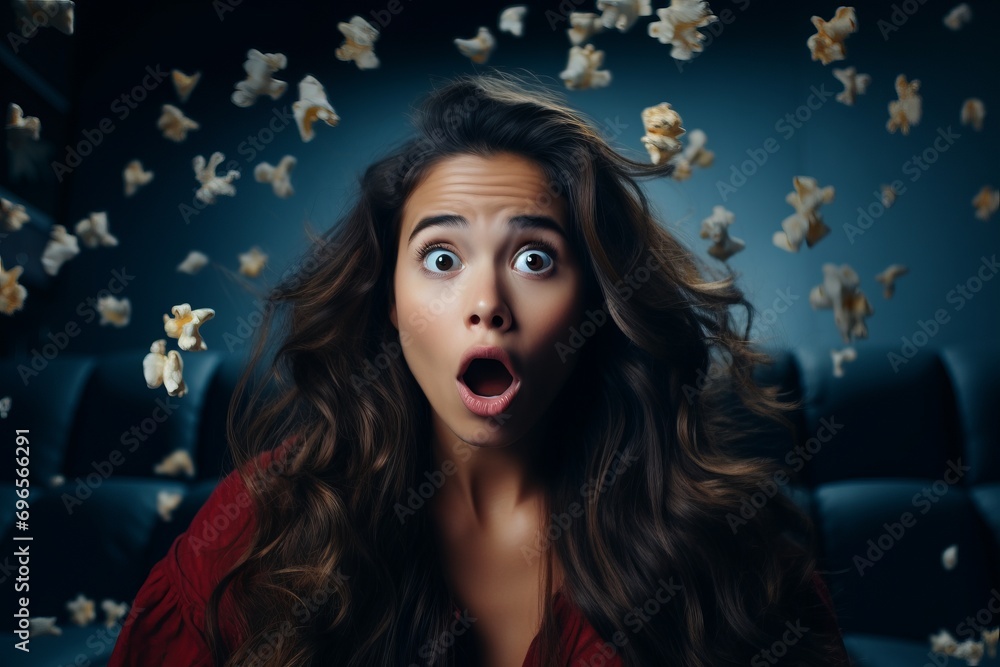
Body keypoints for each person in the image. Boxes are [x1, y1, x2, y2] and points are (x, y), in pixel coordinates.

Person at [108, 70, 851, 666]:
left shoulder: (723, 546)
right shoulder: (265, 523)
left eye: (535, 259)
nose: (487, 302)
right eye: (441, 257)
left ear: (596, 305)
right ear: (390, 303)